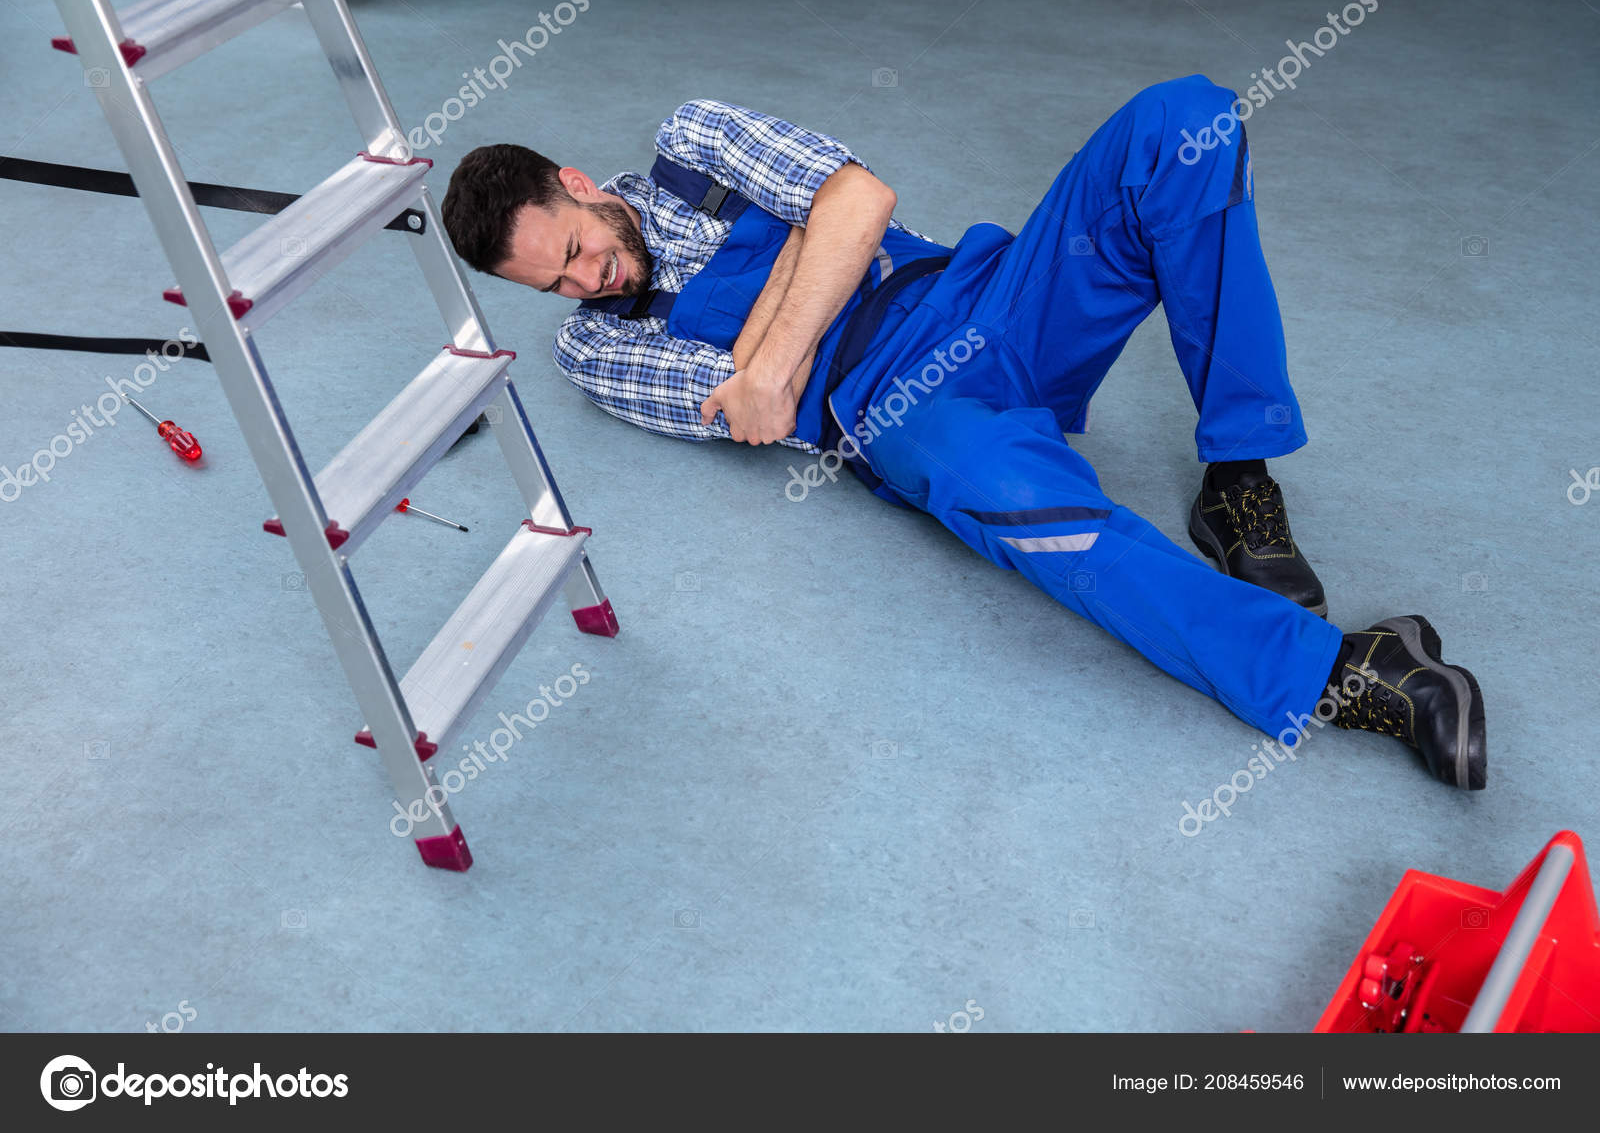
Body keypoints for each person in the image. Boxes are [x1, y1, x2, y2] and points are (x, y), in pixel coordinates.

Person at [440, 75, 1486, 790]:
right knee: (1030, 512)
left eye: (577, 249)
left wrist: (786, 308)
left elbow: (864, 201)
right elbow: (756, 404)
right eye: (557, 284)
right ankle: (1346, 675)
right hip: (900, 414)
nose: (591, 283)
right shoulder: (592, 351)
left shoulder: (693, 138)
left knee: (1186, 121)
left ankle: (1237, 475)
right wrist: (814, 239)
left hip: (991, 293)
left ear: (577, 183)